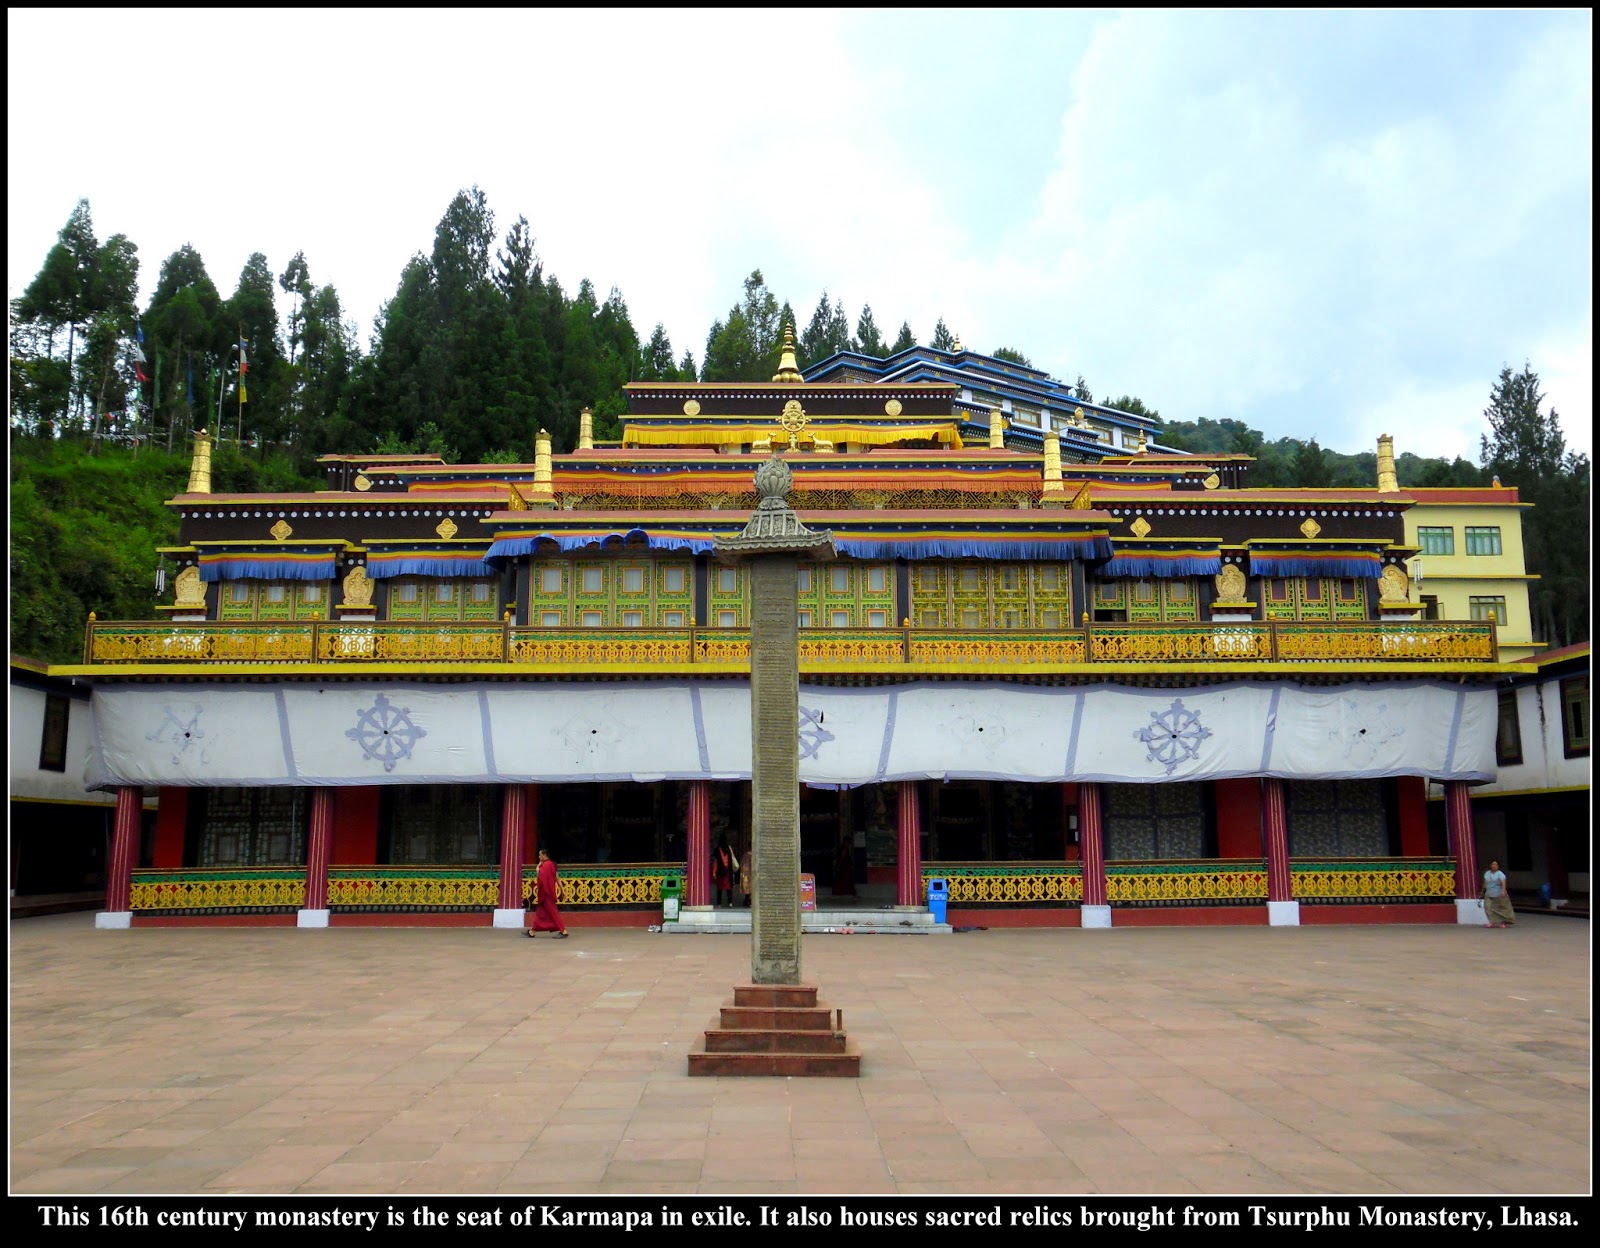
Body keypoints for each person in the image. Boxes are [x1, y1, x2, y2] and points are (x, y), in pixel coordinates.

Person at [526, 848, 568, 938]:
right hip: (546, 893)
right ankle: (532, 931)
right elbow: (557, 878)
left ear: (544, 855)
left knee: (553, 912)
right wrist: (562, 890)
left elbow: (541, 877)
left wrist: (537, 868)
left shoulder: (546, 865)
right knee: (540, 914)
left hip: (546, 893)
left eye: (540, 855)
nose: (539, 856)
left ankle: (563, 931)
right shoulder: (552, 865)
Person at [1482, 859, 1515, 928]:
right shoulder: (1487, 873)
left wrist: (1503, 891)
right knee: (1488, 908)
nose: (1494, 866)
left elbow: (1503, 883)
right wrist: (1482, 891)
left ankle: (1503, 922)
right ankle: (1492, 922)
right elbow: (1485, 883)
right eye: (1493, 864)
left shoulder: (1500, 874)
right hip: (1489, 893)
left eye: (1496, 864)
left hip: (1498, 894)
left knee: (1500, 909)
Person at [711, 835, 737, 907]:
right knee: (729, 888)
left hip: (720, 871)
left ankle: (719, 903)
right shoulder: (728, 848)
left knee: (719, 889)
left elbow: (716, 862)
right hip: (728, 871)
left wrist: (714, 872)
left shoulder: (717, 850)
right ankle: (730, 903)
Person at [740, 843, 754, 907]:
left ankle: (747, 902)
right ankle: (747, 902)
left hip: (750, 874)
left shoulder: (747, 855)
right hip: (749, 875)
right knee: (749, 890)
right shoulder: (748, 855)